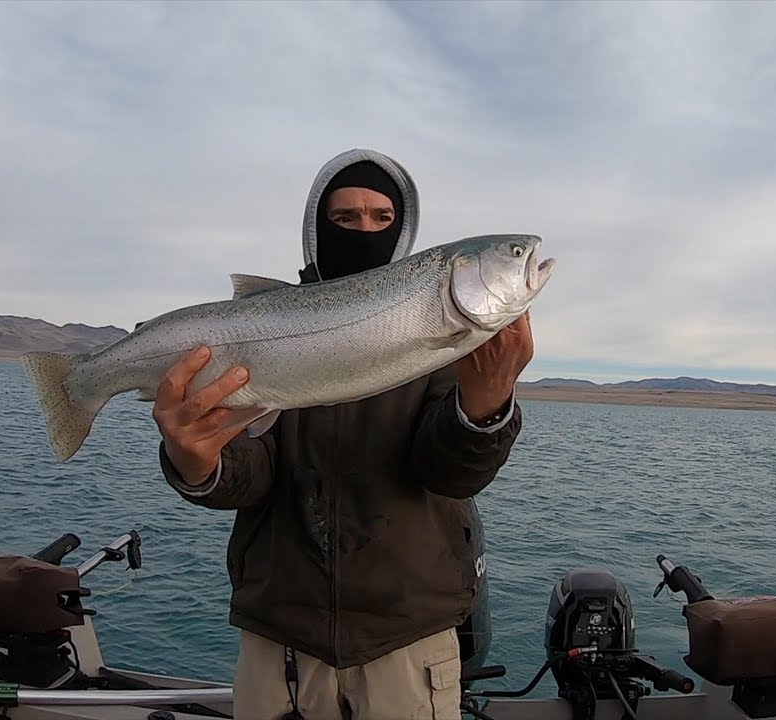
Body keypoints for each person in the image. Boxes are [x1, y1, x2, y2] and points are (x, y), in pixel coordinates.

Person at [152, 148, 534, 720]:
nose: (364, 230)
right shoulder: (265, 331)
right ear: (315, 229)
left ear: (403, 230)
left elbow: (450, 475)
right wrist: (195, 463)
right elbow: (249, 480)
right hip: (277, 635)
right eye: (345, 218)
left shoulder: (452, 344)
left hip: (407, 635)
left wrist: (483, 410)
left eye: (382, 218)